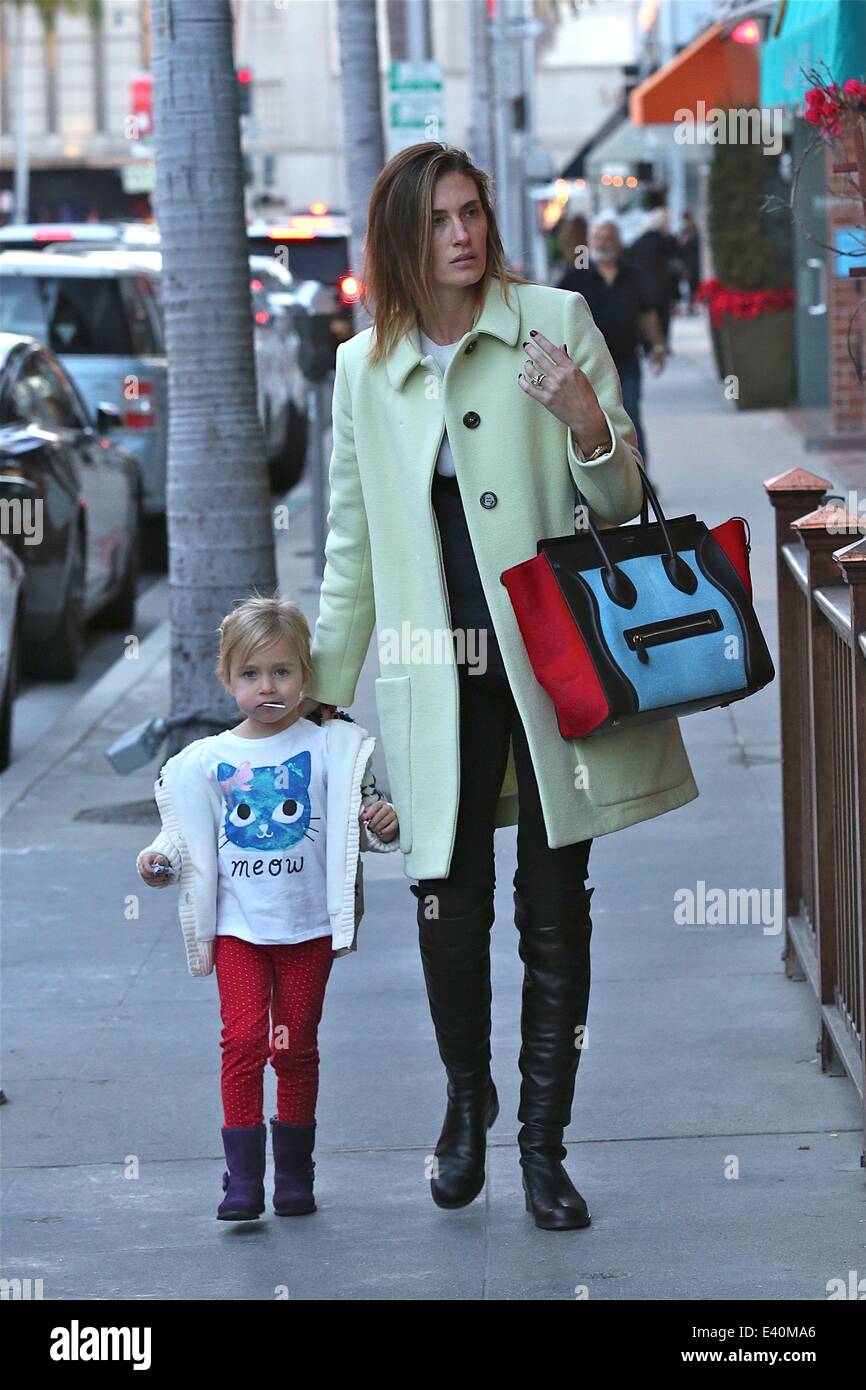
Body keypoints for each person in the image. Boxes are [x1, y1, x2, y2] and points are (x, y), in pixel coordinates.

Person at [299, 143, 699, 1232]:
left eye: (471, 213)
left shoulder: (553, 320)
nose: (461, 235)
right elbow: (352, 552)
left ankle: (540, 1146)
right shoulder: (360, 370)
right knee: (446, 901)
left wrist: (582, 416)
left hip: (546, 663)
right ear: (400, 238)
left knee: (553, 905)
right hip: (437, 676)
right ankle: (466, 1105)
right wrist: (321, 698)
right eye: (437, 220)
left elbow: (619, 503)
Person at [136, 593, 400, 1221]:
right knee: (244, 1042)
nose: (267, 686)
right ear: (228, 680)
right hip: (239, 931)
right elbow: (180, 834)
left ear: (305, 676)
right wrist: (155, 861)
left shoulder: (332, 747)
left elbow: (358, 821)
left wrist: (383, 824)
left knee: (297, 1047)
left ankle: (295, 1177)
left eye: (282, 671)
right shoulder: (205, 762)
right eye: (251, 674)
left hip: (308, 927)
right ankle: (244, 1180)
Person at [557, 212, 668, 474]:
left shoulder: (632, 275)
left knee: (629, 420)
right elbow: (556, 313)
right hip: (588, 366)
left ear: (618, 242)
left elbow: (647, 313)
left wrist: (659, 346)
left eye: (608, 238)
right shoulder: (577, 275)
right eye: (598, 237)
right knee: (590, 423)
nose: (603, 243)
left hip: (626, 363)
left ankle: (638, 479)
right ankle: (597, 479)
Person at [622, 206, 682, 350]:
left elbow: (627, 262)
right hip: (663, 287)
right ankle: (661, 344)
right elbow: (674, 265)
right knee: (663, 317)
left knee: (645, 315)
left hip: (643, 286)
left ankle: (647, 345)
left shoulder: (637, 243)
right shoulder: (666, 242)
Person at [678, 210, 701, 314]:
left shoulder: (693, 230)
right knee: (690, 285)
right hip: (688, 261)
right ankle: (691, 306)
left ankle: (693, 306)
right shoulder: (686, 230)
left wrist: (684, 243)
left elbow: (687, 245)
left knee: (693, 285)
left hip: (691, 261)